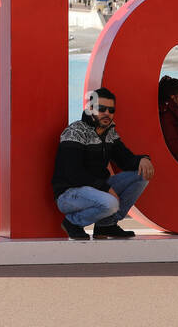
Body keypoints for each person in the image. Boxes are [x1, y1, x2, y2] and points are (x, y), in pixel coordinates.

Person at [51, 88, 153, 240]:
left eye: (111, 110)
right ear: (90, 108)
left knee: (141, 175)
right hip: (70, 193)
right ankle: (72, 222)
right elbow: (72, 173)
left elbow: (125, 160)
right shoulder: (75, 131)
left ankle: (106, 225)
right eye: (101, 109)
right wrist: (106, 188)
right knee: (110, 202)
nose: (107, 113)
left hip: (97, 189)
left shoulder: (109, 132)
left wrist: (143, 159)